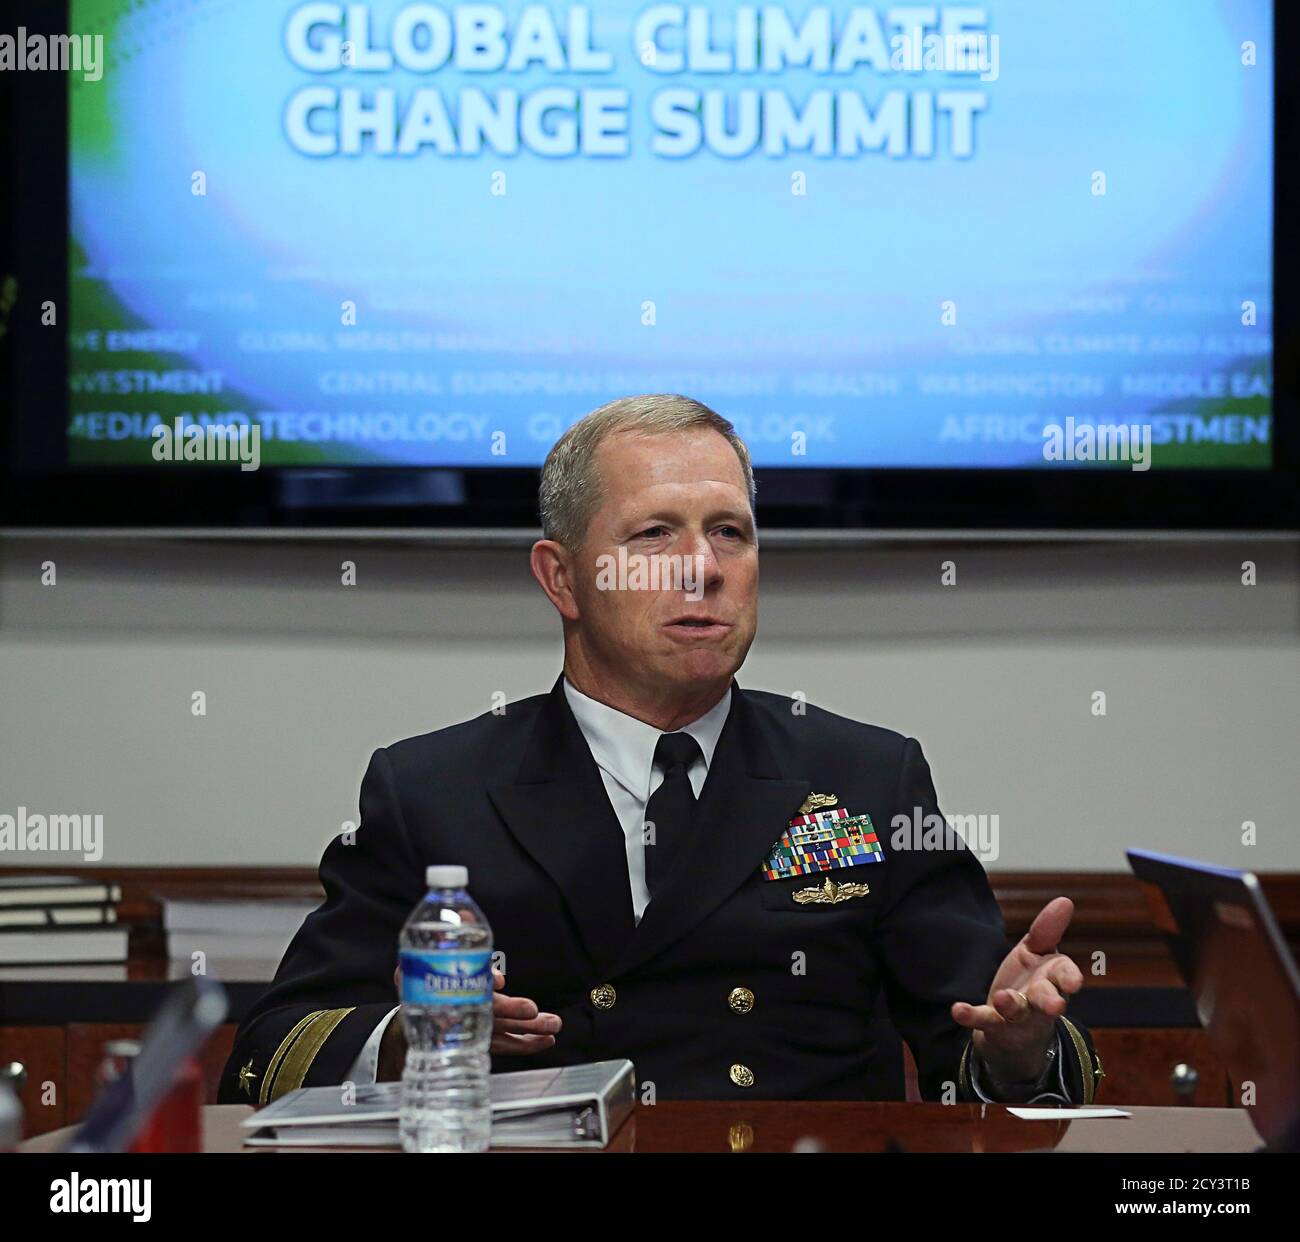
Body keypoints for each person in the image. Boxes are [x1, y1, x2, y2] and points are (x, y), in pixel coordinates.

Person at [220, 395, 1103, 1107]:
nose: (704, 567)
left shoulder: (867, 778)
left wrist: (1020, 1049)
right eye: (655, 535)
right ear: (561, 577)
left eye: (730, 531)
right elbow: (266, 1055)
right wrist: (409, 1036)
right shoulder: (432, 791)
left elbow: (984, 1041)